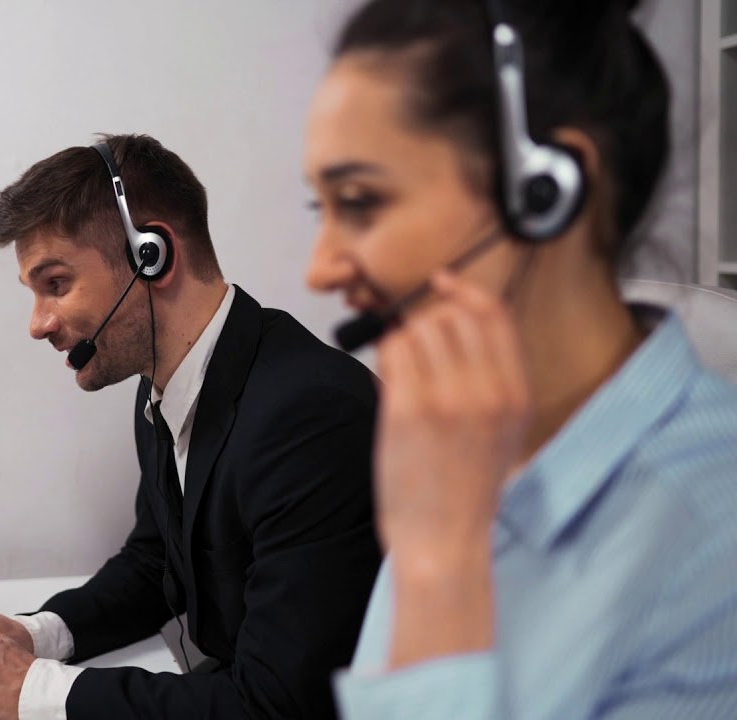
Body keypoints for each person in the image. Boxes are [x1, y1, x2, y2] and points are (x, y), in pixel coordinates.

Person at [301, 0, 737, 717]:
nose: (320, 270)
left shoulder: (713, 536)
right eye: (322, 210)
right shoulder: (459, 447)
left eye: (360, 200)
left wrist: (439, 573)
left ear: (549, 192)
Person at [0, 134, 381, 719]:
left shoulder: (308, 416)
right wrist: (33, 637)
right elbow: (156, 563)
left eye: (56, 284)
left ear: (153, 255)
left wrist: (31, 691)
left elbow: (275, 705)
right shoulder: (166, 385)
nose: (38, 324)